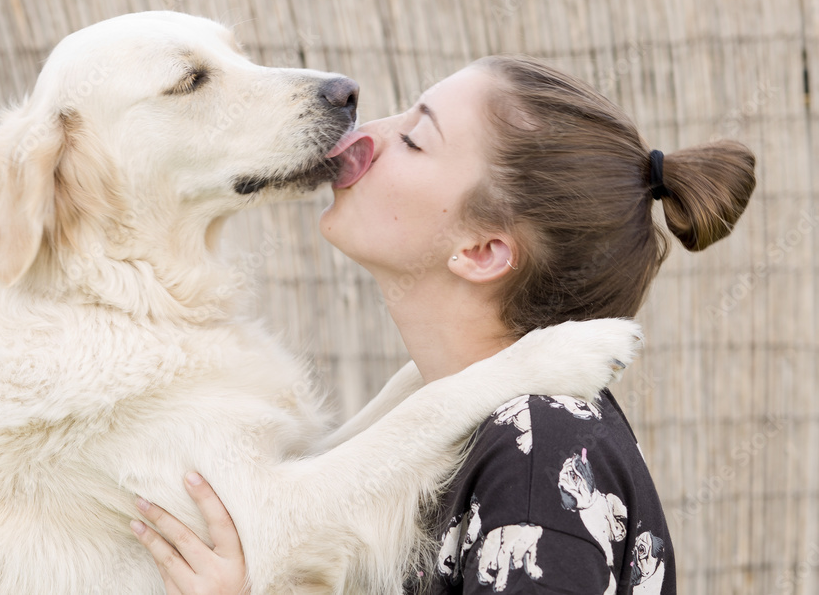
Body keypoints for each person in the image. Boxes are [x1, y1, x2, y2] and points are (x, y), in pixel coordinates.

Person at [127, 55, 755, 594]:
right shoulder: (476, 427)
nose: (367, 129)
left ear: (481, 251)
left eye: (415, 139)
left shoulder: (540, 450)